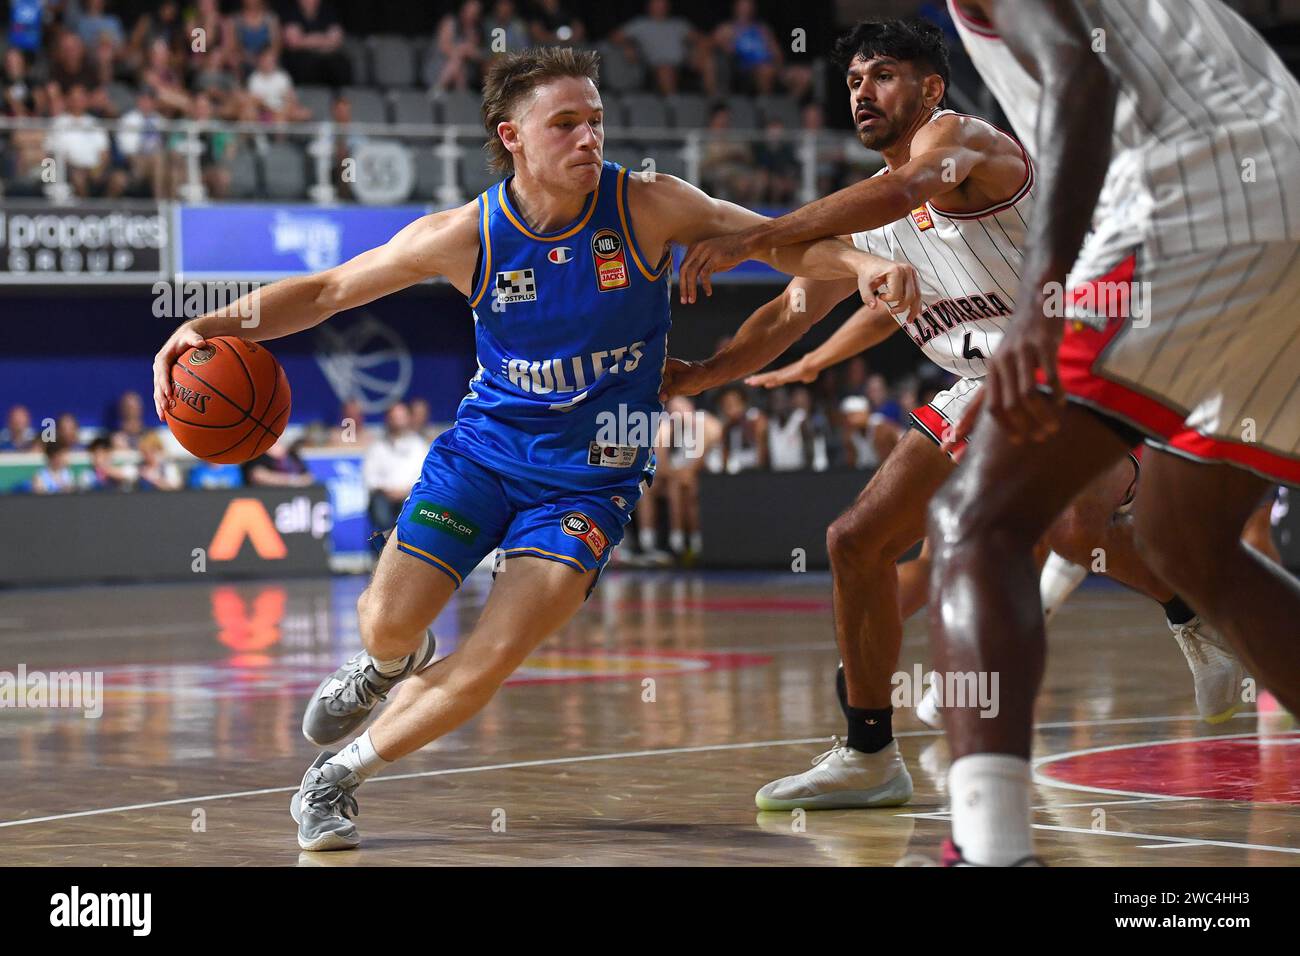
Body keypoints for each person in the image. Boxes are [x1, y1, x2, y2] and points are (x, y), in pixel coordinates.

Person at [150, 46, 920, 852]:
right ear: (510, 135)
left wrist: (862, 261)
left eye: (595, 121)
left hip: (592, 481)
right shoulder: (465, 234)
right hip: (483, 455)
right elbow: (329, 291)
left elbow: (778, 242)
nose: (589, 138)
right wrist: (207, 324)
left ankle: (335, 778)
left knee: (492, 655)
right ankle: (389, 660)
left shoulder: (648, 204)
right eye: (566, 124)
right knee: (383, 623)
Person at [663, 17, 1244, 815]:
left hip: (1087, 353)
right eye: (855, 81)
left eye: (883, 76)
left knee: (1073, 530)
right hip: (983, 381)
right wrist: (702, 375)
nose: (863, 92)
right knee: (854, 542)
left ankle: (1194, 609)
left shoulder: (960, 141)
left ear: (930, 87)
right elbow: (795, 305)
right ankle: (869, 752)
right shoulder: (871, 214)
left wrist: (758, 234)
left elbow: (904, 189)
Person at [908, 0, 1300, 865]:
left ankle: (988, 852)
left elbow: (1079, 81)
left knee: (978, 521)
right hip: (1286, 203)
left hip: (1193, 202)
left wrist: (1043, 293)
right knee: (1186, 540)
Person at [363, 402, 428, 532]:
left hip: (411, 495)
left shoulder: (419, 446)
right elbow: (369, 478)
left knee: (415, 506)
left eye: (401, 417)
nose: (398, 422)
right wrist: (388, 490)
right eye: (394, 417)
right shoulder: (377, 447)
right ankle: (386, 547)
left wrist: (405, 490)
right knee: (381, 511)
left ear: (408, 418)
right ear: (387, 419)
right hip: (384, 496)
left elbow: (425, 475)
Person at [242, 434, 313, 487]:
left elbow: (308, 477)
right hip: (269, 497)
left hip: (295, 500)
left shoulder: (293, 455)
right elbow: (258, 476)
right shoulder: (258, 454)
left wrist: (296, 480)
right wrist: (291, 480)